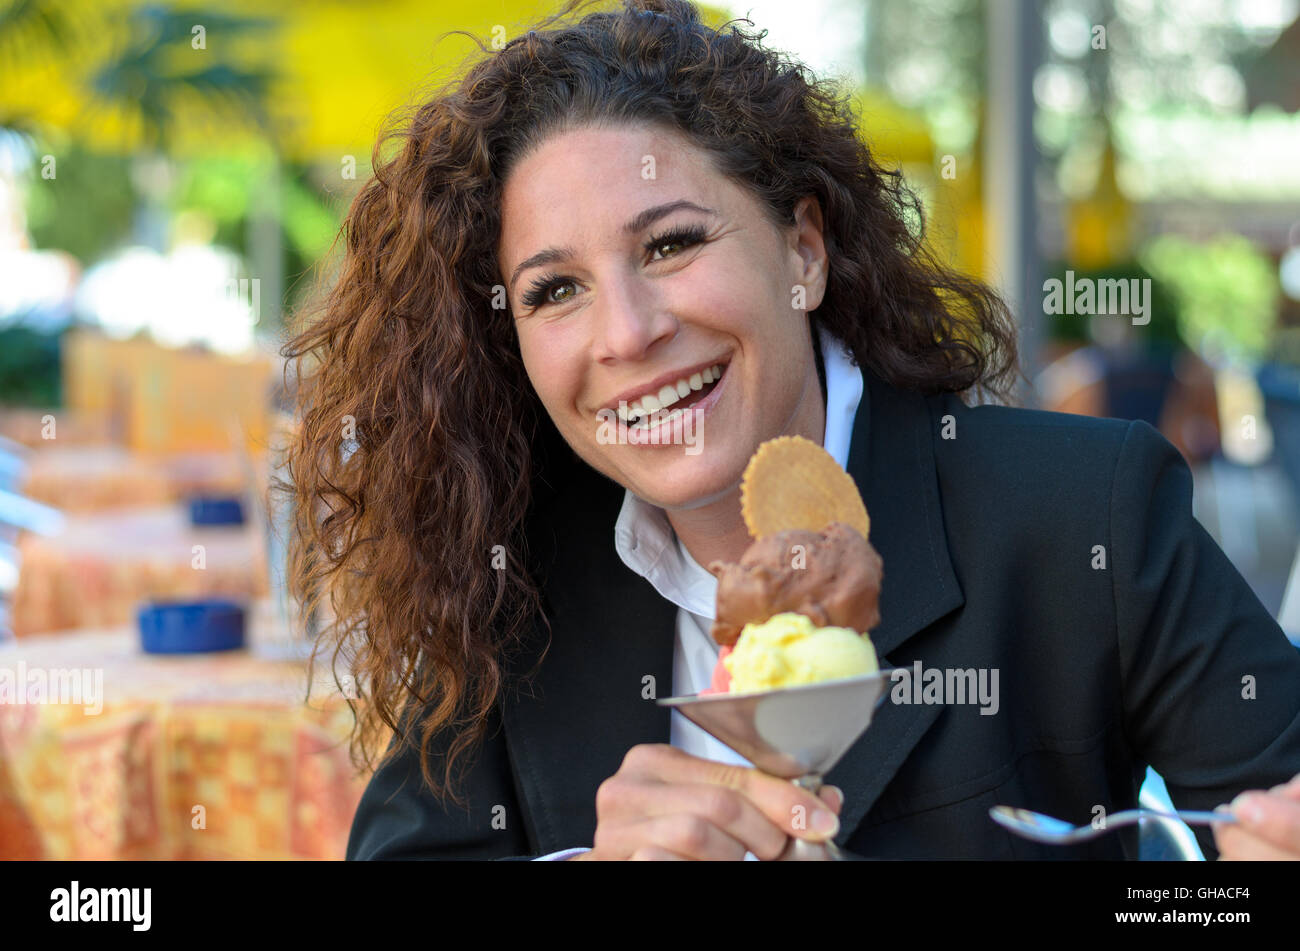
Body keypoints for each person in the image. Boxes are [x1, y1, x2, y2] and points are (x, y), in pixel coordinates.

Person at [280, 0, 1300, 860]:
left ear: (802, 251)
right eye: (555, 291)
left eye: (672, 243)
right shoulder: (509, 576)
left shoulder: (1087, 516)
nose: (627, 332)